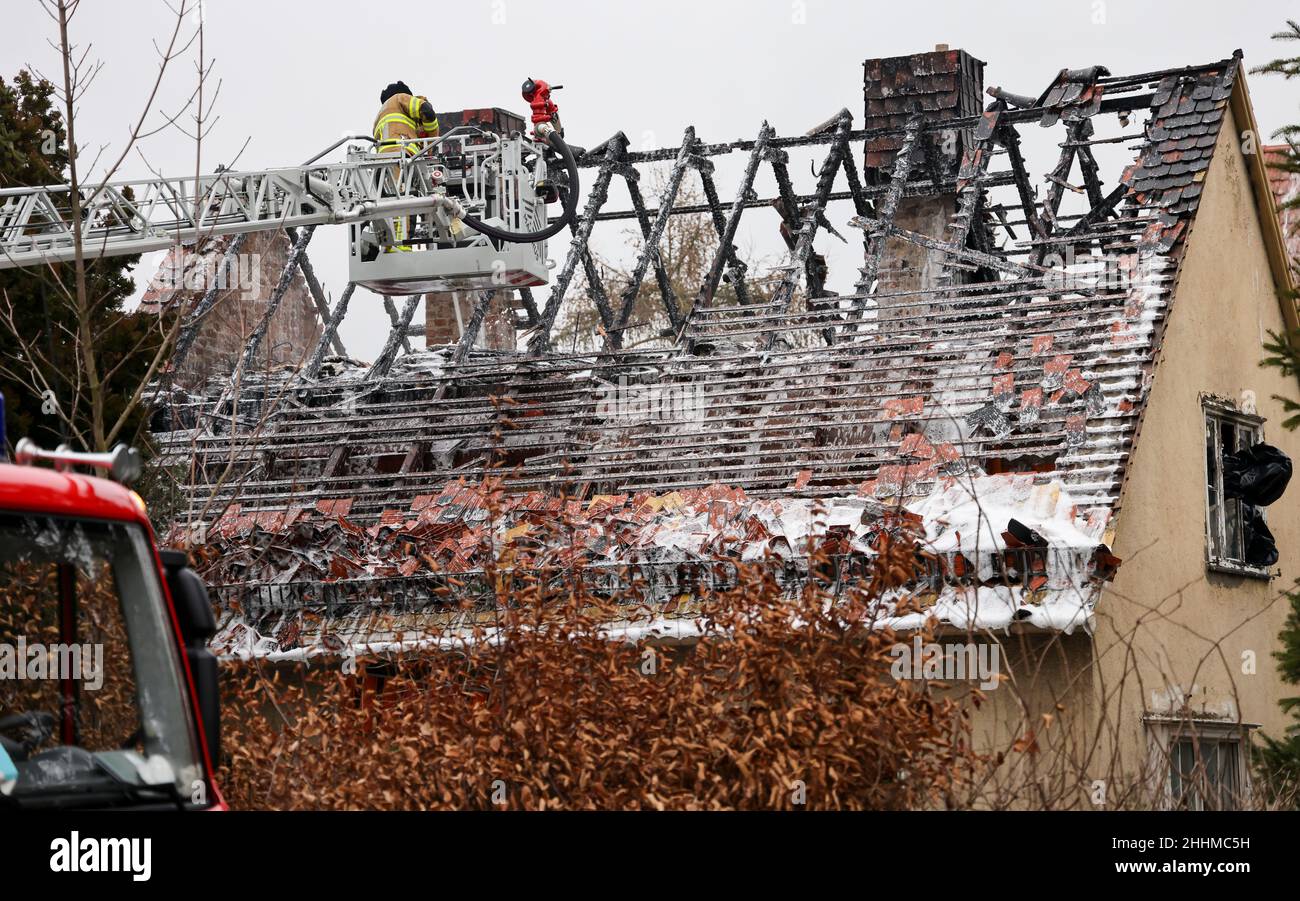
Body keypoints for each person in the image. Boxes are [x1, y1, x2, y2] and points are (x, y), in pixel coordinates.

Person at [373, 81, 440, 251]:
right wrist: (431, 142)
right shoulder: (400, 98)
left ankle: (389, 248)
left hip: (381, 164)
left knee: (387, 205)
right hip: (402, 159)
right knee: (406, 202)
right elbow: (427, 112)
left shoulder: (379, 116)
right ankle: (403, 248)